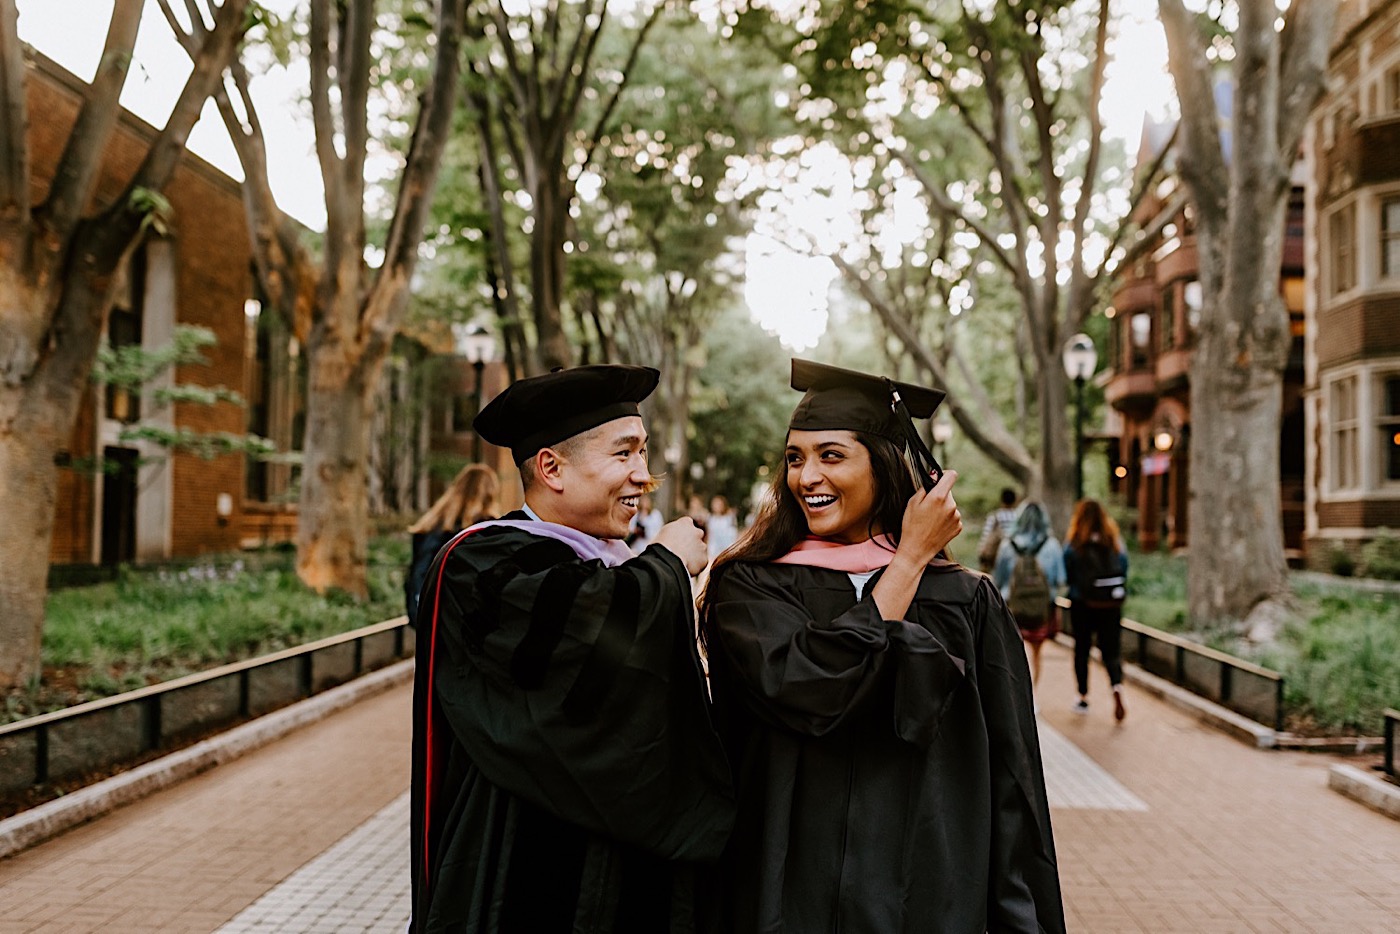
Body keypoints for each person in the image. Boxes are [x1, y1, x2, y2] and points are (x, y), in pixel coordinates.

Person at [699, 359, 1065, 934]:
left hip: (927, 896)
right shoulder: (752, 586)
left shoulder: (965, 601)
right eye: (795, 458)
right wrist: (911, 560)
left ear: (885, 464)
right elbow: (812, 688)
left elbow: (1011, 780)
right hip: (785, 895)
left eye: (832, 455)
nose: (806, 476)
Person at [409, 364, 735, 934]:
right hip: (523, 866)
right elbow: (588, 629)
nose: (644, 474)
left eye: (644, 452)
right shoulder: (482, 564)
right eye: (625, 454)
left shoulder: (607, 564)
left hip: (621, 870)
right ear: (552, 468)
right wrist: (666, 565)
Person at [404, 464, 500, 626]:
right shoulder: (487, 528)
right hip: (467, 620)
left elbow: (417, 571)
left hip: (427, 613)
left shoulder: (429, 526)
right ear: (489, 494)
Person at [1063, 498, 1130, 721]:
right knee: (1111, 650)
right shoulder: (1113, 540)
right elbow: (1124, 566)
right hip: (1110, 604)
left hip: (1082, 603)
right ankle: (1117, 686)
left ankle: (1082, 697)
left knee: (1082, 649)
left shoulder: (1075, 542)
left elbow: (1068, 570)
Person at [992, 500, 1066, 691]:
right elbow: (1060, 579)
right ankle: (1032, 694)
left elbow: (997, 580)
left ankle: (1015, 693)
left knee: (1013, 651)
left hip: (1011, 606)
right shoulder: (1052, 545)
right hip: (1041, 608)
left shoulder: (1007, 545)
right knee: (1036, 652)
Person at [977, 486, 1019, 573]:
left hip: (996, 556)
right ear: (1015, 501)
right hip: (1015, 556)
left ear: (1001, 500)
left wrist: (982, 553)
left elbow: (986, 537)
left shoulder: (995, 517)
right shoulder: (1019, 518)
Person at [706, 494, 739, 561]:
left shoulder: (729, 517)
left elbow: (734, 533)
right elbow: (709, 534)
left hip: (727, 548)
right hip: (713, 549)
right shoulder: (710, 518)